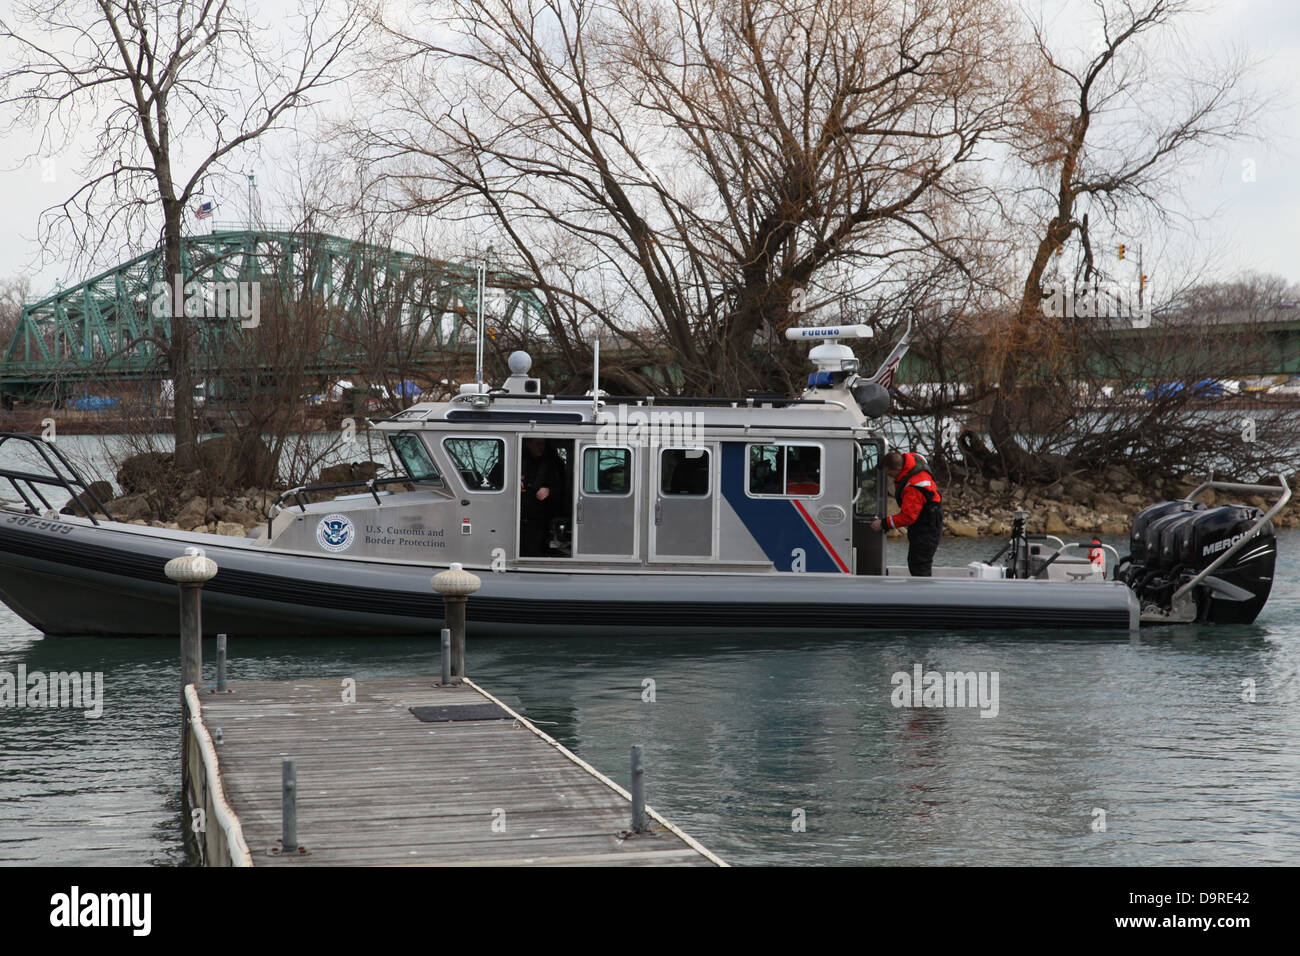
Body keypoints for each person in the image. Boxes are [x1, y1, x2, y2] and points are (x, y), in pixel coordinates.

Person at [871, 451, 943, 577]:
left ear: (898, 468)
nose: (890, 477)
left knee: (919, 563)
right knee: (917, 559)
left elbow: (908, 517)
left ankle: (922, 594)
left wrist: (883, 523)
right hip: (927, 518)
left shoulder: (914, 487)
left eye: (890, 474)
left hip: (927, 524)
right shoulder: (914, 459)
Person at [520, 437, 562, 556]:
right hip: (517, 515)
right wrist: (512, 480)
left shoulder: (551, 464)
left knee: (535, 549)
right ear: (528, 444)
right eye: (538, 443)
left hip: (540, 516)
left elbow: (563, 489)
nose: (541, 447)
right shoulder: (515, 457)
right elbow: (495, 480)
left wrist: (549, 490)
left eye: (543, 444)